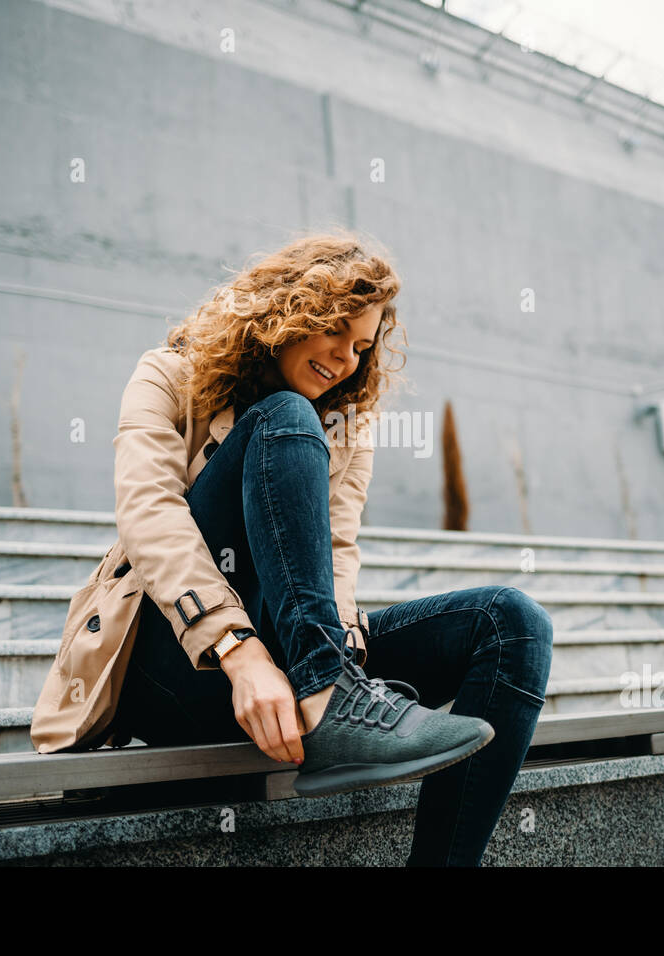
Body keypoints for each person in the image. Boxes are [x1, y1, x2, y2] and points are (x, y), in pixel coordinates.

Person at [109, 231, 554, 866]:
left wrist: (337, 647)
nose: (346, 359)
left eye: (362, 347)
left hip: (301, 666)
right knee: (285, 415)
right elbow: (149, 516)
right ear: (294, 311)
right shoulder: (168, 373)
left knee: (511, 623)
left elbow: (337, 550)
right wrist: (240, 654)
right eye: (337, 332)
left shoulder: (345, 421)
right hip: (178, 664)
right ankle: (328, 691)